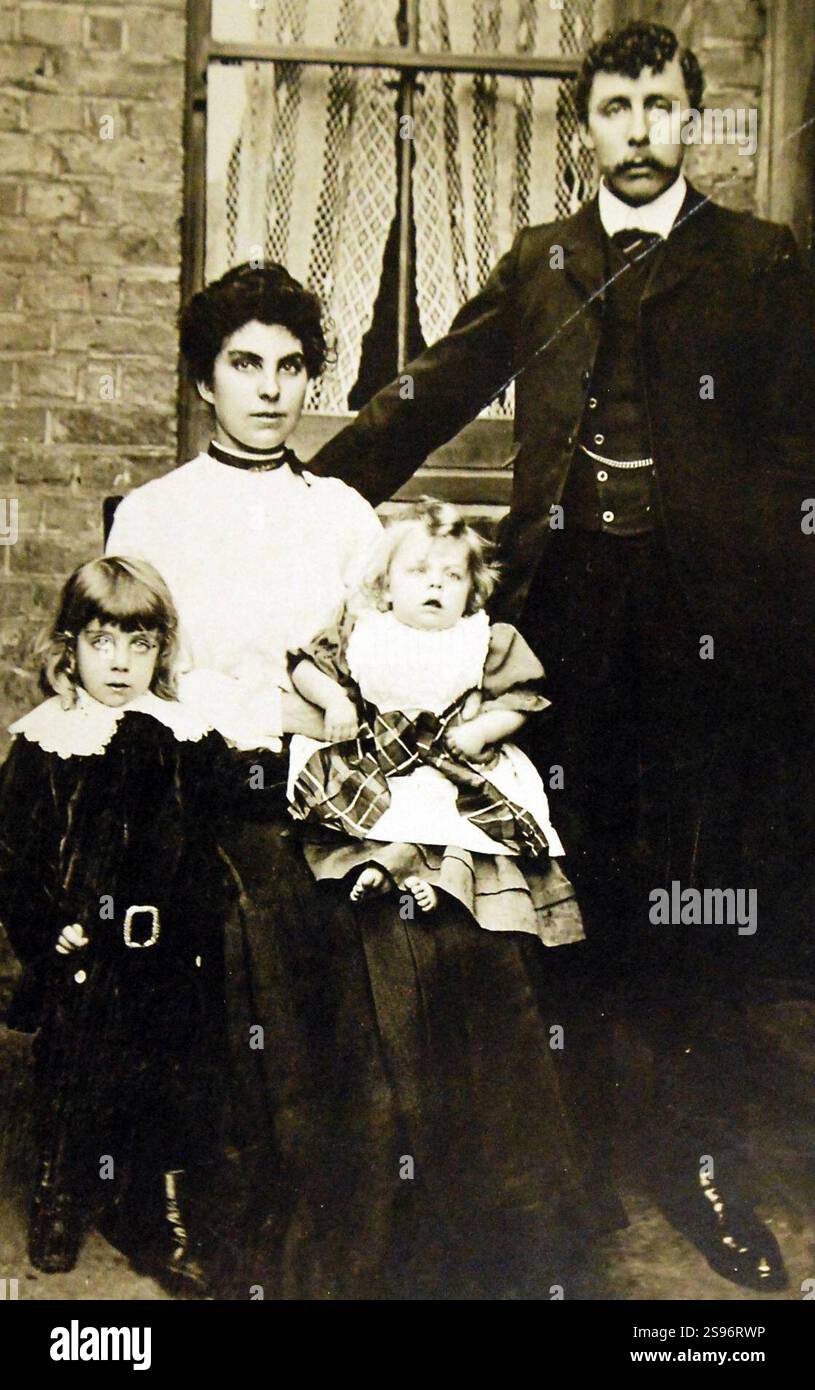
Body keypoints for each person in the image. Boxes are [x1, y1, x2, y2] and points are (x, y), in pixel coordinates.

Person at [308, 20, 815, 1291]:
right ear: (578, 128)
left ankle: (696, 1159)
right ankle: (561, 1160)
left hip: (707, 631)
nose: (638, 129)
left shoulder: (757, 262)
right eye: (615, 108)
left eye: (660, 105)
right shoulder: (543, 260)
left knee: (698, 890)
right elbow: (433, 387)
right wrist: (306, 498)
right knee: (557, 872)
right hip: (564, 617)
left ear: (691, 120)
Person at [104, 262, 384, 1297]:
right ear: (202, 380)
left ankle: (344, 1194)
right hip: (194, 775)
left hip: (316, 773)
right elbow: (137, 675)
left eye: (291, 366)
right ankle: (187, 1188)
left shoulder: (345, 516)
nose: (269, 388)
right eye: (243, 363)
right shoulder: (154, 515)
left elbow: (370, 670)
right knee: (215, 905)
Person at [0, 557, 231, 1296]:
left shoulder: (184, 736)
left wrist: (197, 937)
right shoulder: (47, 742)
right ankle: (60, 1199)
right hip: (84, 952)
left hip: (163, 951)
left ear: (163, 650)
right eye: (103, 644)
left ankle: (157, 1214)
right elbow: (13, 855)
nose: (122, 663)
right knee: (75, 1074)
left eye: (141, 645)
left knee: (166, 1081)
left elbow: (203, 848)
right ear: (68, 648)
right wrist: (47, 928)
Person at [288, 497, 582, 946]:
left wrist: (482, 729)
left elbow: (520, 697)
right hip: (381, 759)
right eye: (419, 572)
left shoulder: (481, 639)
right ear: (386, 587)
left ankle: (443, 887)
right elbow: (306, 666)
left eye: (452, 576)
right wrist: (335, 702)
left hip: (453, 758)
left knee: (461, 824)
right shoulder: (364, 632)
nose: (436, 586)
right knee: (378, 814)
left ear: (471, 591)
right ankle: (384, 870)